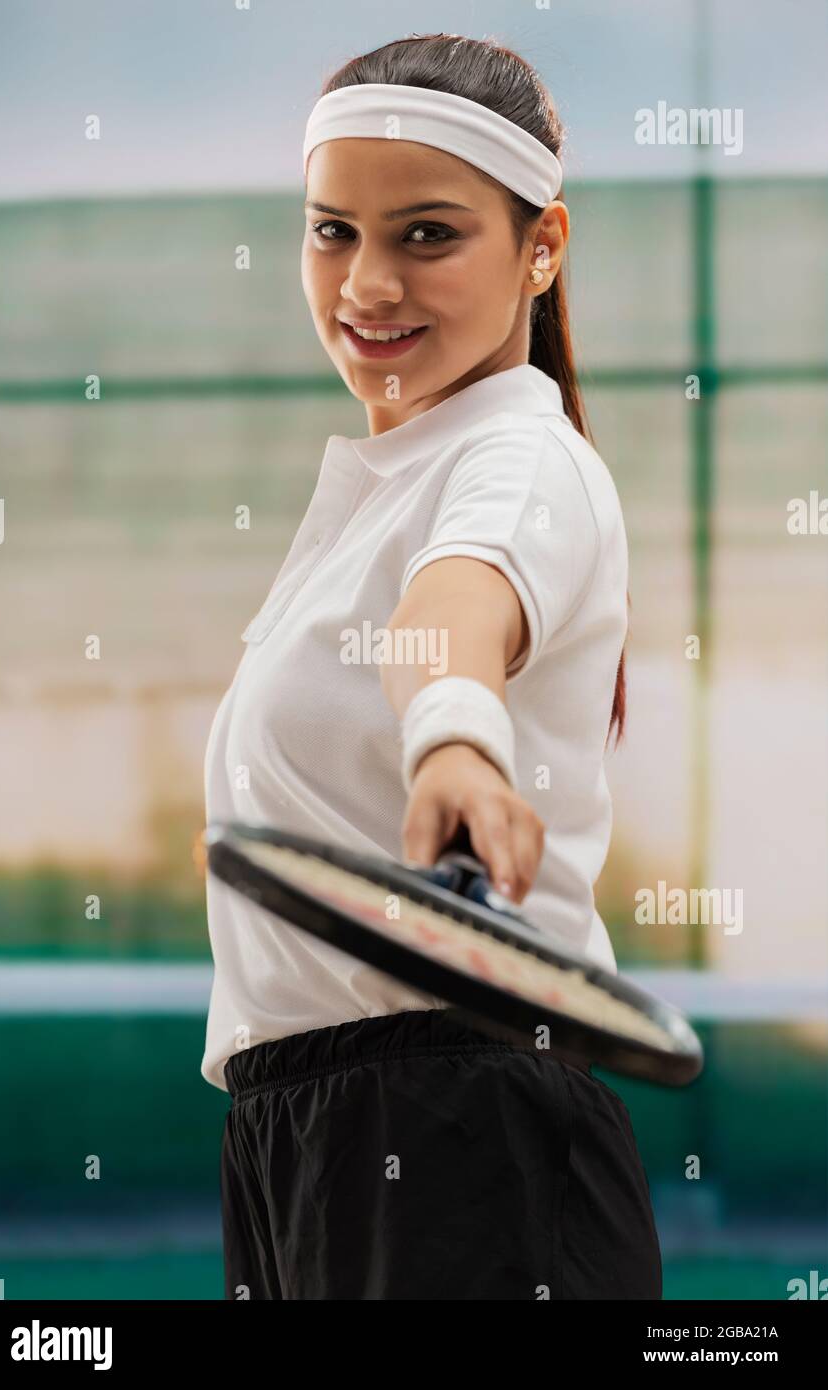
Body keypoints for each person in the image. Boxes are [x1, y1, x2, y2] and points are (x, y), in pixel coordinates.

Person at [201, 33, 662, 1300]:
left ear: (543, 246)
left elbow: (450, 611)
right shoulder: (378, 491)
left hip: (451, 1123)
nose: (366, 280)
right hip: (305, 1124)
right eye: (332, 230)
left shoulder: (521, 460)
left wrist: (454, 735)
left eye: (427, 235)